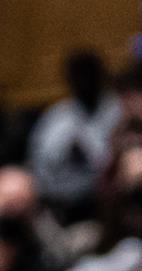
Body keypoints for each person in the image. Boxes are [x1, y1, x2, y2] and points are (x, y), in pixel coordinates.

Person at [26, 49, 121, 221]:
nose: (84, 83)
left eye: (89, 77)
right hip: (61, 204)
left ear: (101, 77)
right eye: (78, 78)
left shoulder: (118, 112)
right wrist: (65, 154)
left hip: (107, 204)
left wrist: (89, 153)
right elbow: (38, 163)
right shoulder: (56, 116)